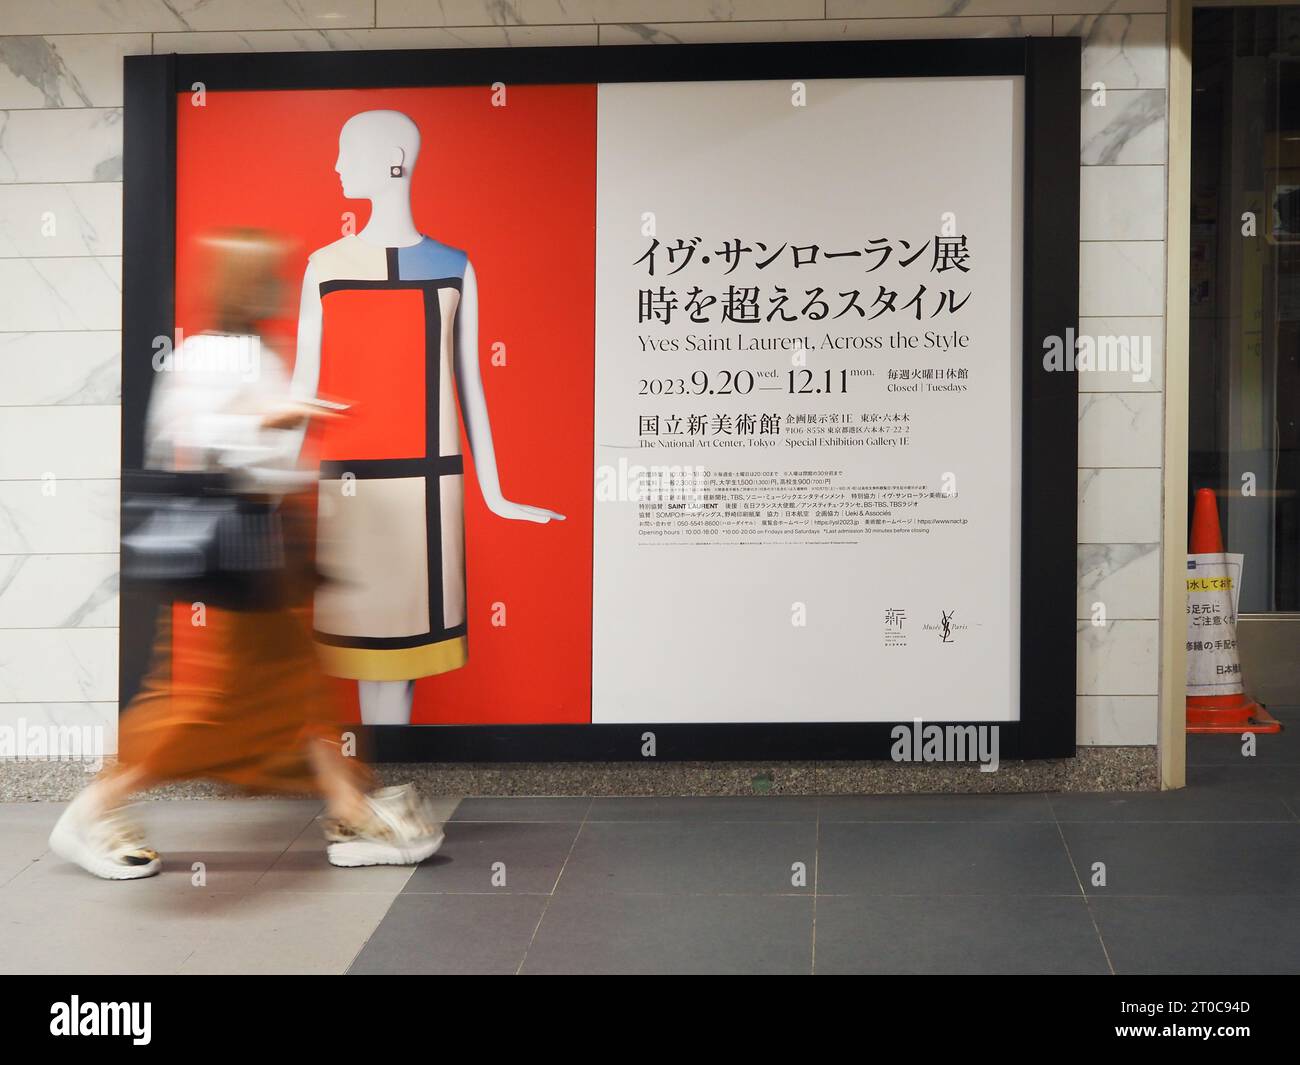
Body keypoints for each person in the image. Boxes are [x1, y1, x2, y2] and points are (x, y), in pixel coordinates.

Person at [49, 228, 444, 880]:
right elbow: (191, 432)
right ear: (238, 283)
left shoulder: (256, 350)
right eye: (264, 275)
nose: (277, 286)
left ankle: (349, 809)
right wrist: (273, 418)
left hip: (271, 548)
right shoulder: (209, 353)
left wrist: (287, 424)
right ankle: (95, 807)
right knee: (213, 707)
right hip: (237, 555)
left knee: (301, 693)